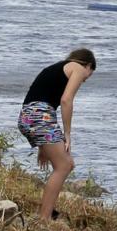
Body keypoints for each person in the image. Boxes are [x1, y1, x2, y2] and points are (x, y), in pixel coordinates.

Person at [17, 49, 96, 221]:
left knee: (65, 164)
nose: (84, 78)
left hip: (29, 116)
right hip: (40, 116)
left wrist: (42, 147)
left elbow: (40, 95)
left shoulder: (57, 68)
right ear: (89, 65)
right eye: (88, 76)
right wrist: (67, 133)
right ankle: (44, 218)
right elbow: (66, 100)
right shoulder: (78, 68)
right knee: (64, 165)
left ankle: (48, 211)